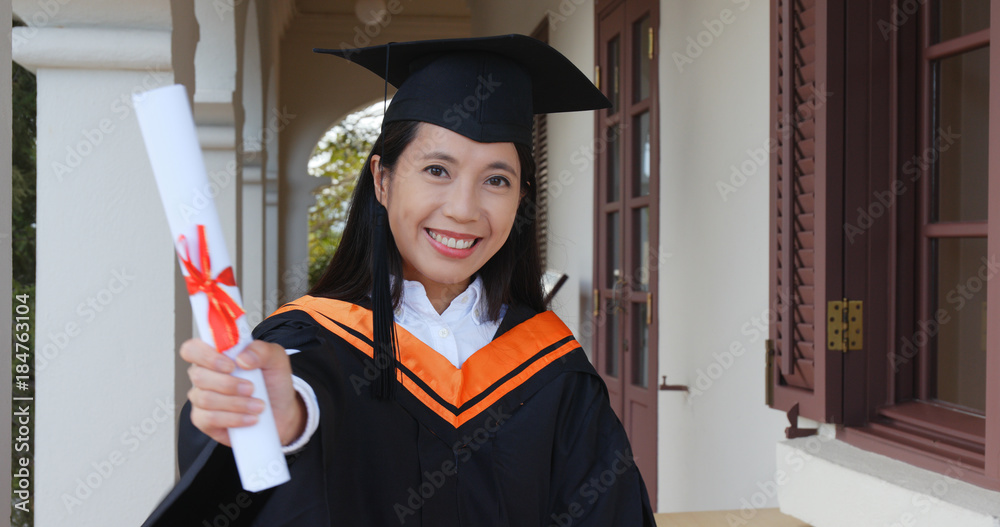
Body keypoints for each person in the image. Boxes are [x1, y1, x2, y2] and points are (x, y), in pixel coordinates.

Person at [142, 34, 656, 526]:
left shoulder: (552, 366)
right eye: (437, 170)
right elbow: (298, 398)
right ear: (382, 181)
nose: (463, 208)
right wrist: (289, 421)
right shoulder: (313, 341)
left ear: (521, 200)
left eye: (496, 180)